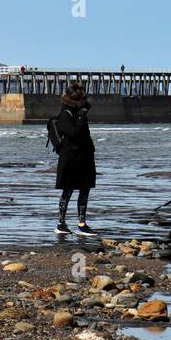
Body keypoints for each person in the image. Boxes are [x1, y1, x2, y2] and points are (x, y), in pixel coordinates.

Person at [54, 83, 96, 235]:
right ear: (76, 100)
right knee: (68, 191)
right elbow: (75, 133)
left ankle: (81, 223)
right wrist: (81, 115)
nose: (84, 102)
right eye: (82, 99)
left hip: (83, 158)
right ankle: (61, 224)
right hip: (71, 160)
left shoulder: (77, 113)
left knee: (85, 190)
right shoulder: (66, 114)